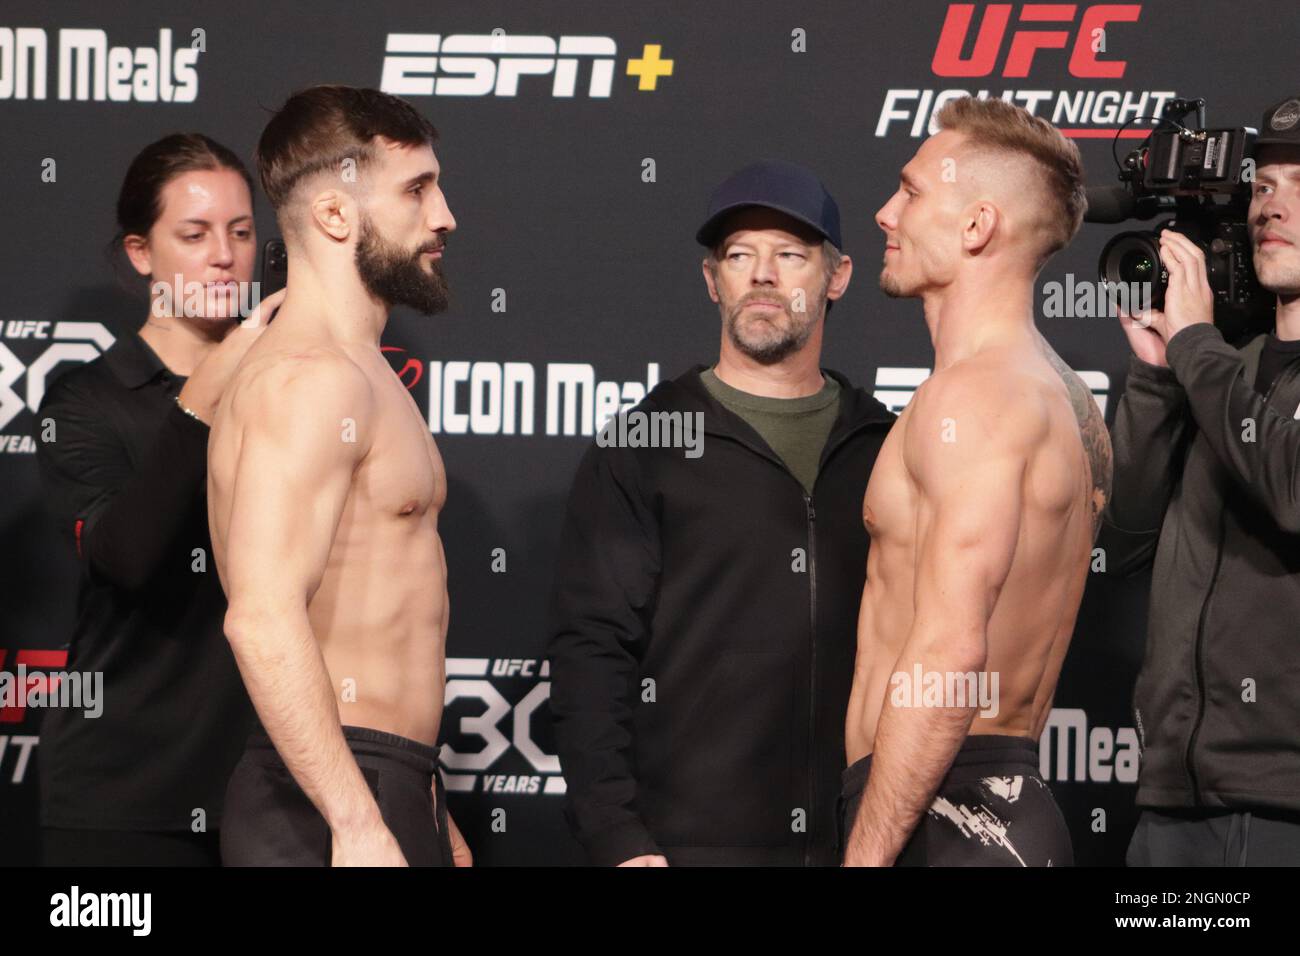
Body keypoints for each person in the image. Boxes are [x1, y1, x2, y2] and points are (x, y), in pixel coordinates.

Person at [548, 160, 895, 866]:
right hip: (684, 847)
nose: (763, 274)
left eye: (790, 255)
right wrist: (619, 838)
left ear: (838, 276)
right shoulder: (645, 444)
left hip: (858, 844)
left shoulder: (887, 447)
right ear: (713, 281)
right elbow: (590, 652)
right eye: (740, 255)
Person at [841, 96, 1109, 867]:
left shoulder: (972, 398)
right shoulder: (1066, 397)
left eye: (913, 191)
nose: (887, 213)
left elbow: (950, 659)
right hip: (1005, 810)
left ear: (976, 226)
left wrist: (864, 860)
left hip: (938, 815)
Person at [209, 85, 469, 867]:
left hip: (386, 786)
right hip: (322, 805)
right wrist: (355, 823)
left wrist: (428, 811)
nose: (445, 215)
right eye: (416, 190)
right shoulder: (308, 378)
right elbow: (261, 617)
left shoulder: (365, 373)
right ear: (333, 215)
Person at [32, 133, 279, 865]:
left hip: (269, 795)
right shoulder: (85, 401)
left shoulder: (289, 390)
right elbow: (125, 557)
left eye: (240, 232)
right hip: (123, 801)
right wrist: (205, 395)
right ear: (142, 254)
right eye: (194, 234)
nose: (223, 255)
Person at [1103, 94, 1300, 866]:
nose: (1271, 202)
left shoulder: (1211, 362)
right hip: (1171, 805)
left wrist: (1193, 342)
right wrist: (1157, 380)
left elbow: (1291, 488)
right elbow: (1120, 540)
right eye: (1265, 181)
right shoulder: (1225, 368)